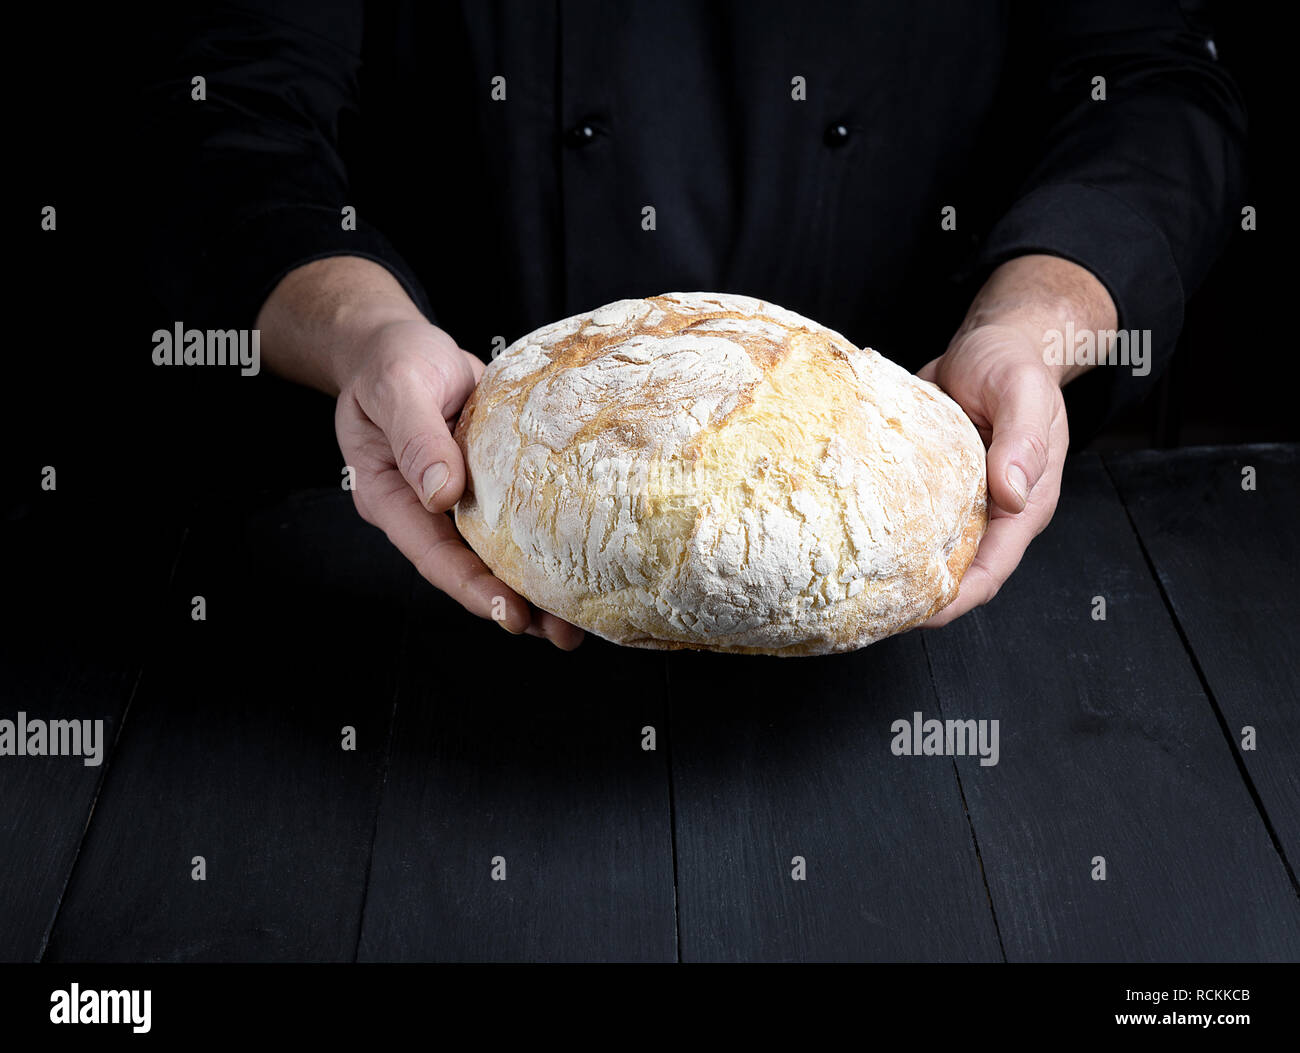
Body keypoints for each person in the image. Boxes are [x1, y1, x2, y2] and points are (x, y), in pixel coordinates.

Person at [146, 1, 1246, 649]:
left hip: (927, 563)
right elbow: (227, 105)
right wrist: (365, 336)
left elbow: (1151, 85)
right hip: (416, 578)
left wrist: (1030, 325)